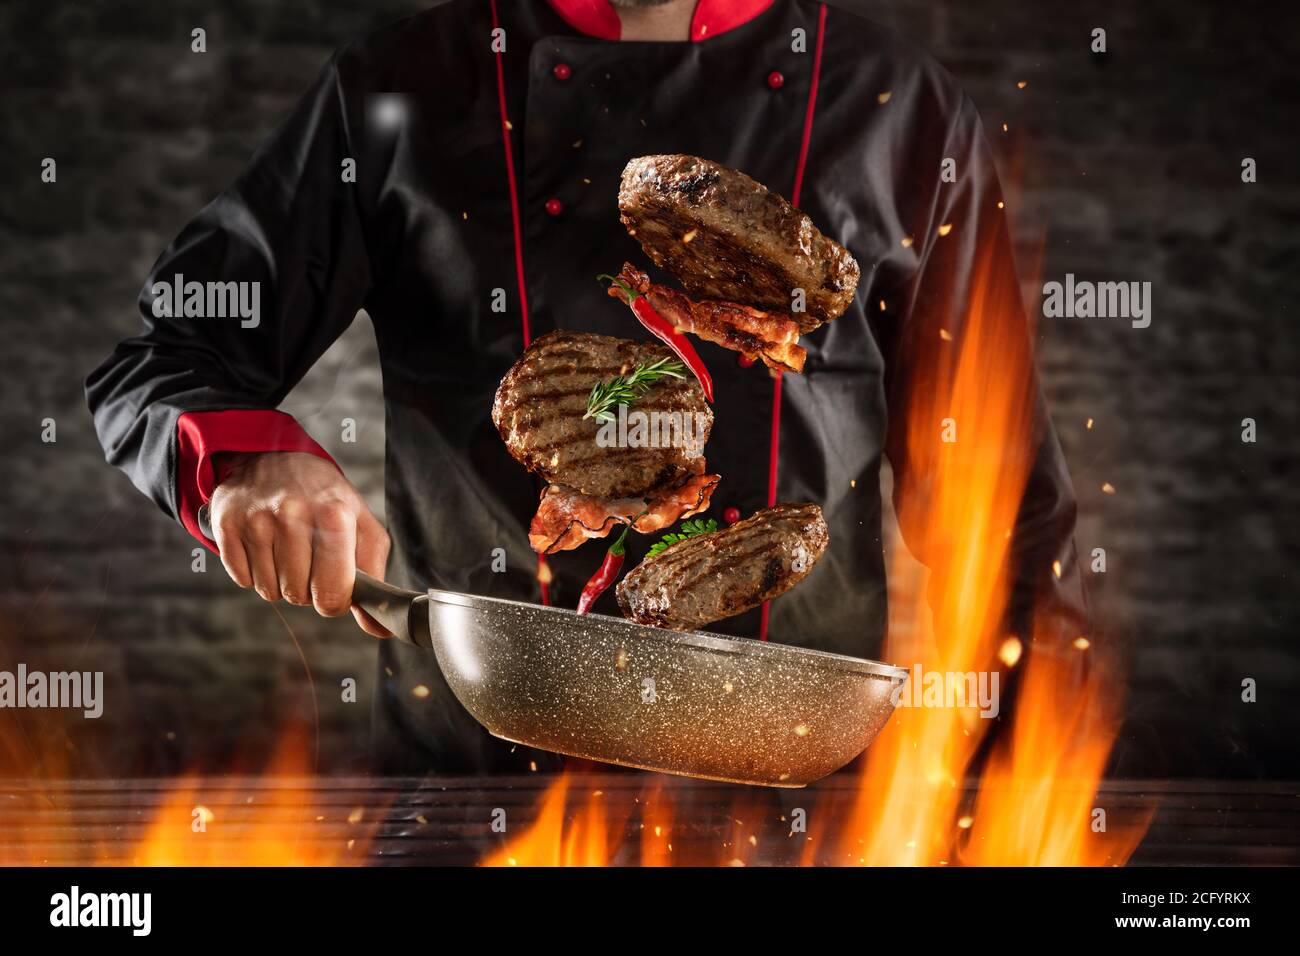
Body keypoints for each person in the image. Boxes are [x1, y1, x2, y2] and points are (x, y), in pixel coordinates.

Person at [86, 0, 1088, 774]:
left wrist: (1013, 795)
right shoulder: (397, 87)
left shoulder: (902, 110)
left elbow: (1000, 513)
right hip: (469, 796)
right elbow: (162, 356)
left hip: (805, 801)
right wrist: (246, 463)